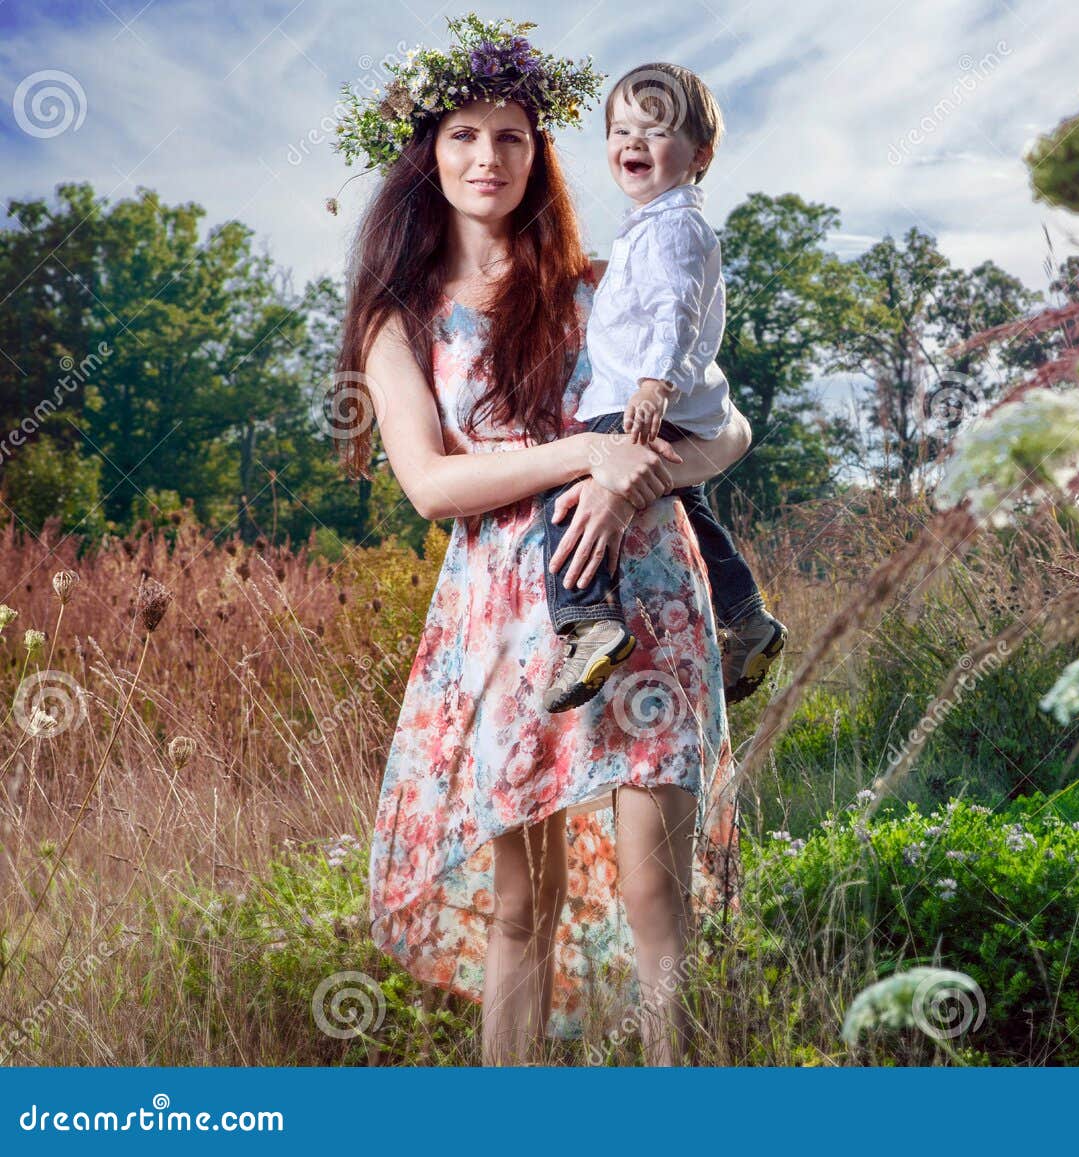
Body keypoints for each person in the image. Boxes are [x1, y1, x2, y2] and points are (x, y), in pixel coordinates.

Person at [328, 15, 746, 1066]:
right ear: (429, 151)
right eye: (464, 135)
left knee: (656, 882)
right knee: (525, 897)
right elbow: (431, 483)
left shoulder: (598, 284)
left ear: (537, 155)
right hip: (509, 615)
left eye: (510, 137)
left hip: (642, 585)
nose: (487, 157)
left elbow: (727, 427)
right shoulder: (400, 318)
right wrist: (582, 460)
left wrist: (631, 477)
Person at [540, 62, 787, 715]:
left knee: (563, 497)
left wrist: (652, 384)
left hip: (640, 401)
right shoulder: (653, 225)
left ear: (700, 153)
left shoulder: (674, 227)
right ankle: (748, 618)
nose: (634, 143)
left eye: (656, 130)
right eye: (621, 129)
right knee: (692, 508)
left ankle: (586, 617)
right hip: (674, 403)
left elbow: (677, 309)